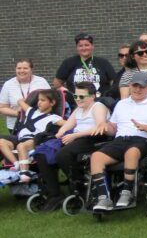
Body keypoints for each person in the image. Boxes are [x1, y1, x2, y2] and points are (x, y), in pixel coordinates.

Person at [90, 72, 147, 211]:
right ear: (130, 86)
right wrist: (104, 126)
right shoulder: (121, 104)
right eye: (135, 86)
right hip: (120, 139)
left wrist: (145, 127)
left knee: (131, 152)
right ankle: (104, 198)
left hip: (146, 140)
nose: (137, 89)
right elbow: (113, 129)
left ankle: (127, 193)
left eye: (141, 86)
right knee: (96, 157)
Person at [35, 82, 110, 211]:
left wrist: (75, 136)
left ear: (92, 96)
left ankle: (79, 185)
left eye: (81, 96)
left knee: (63, 154)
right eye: (75, 96)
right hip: (77, 137)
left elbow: (100, 127)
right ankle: (54, 194)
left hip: (93, 138)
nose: (77, 99)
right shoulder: (79, 109)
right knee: (43, 153)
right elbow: (67, 125)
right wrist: (60, 133)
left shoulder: (98, 107)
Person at [0, 89, 62, 183]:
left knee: (21, 146)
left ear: (52, 103)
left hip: (35, 139)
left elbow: (68, 124)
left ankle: (25, 172)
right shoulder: (31, 111)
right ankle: (16, 164)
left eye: (43, 100)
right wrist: (24, 100)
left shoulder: (54, 118)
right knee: (1, 142)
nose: (39, 102)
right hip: (20, 138)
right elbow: (20, 101)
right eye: (38, 100)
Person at [54, 33, 117, 97]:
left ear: (92, 46)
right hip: (76, 100)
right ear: (77, 48)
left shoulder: (103, 62)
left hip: (99, 100)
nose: (84, 48)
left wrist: (109, 94)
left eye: (87, 45)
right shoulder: (68, 62)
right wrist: (67, 93)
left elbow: (114, 81)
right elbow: (57, 82)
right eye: (80, 46)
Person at [0, 59, 51, 131]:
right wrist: (18, 113)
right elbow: (2, 108)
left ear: (31, 69)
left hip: (39, 124)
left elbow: (50, 102)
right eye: (19, 68)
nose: (22, 71)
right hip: (15, 125)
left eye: (25, 68)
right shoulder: (8, 84)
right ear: (15, 69)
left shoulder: (41, 82)